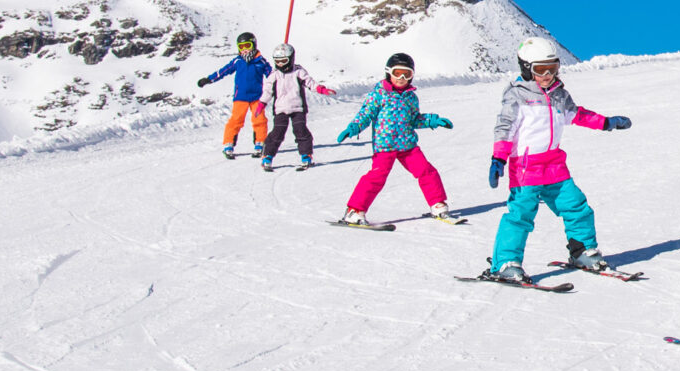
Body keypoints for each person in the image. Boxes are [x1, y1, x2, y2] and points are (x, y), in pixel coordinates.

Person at [482, 38, 631, 282]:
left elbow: (577, 114)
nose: (548, 74)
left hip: (555, 166)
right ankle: (505, 263)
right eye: (541, 69)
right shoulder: (517, 96)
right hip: (526, 168)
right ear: (526, 68)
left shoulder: (559, 94)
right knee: (520, 215)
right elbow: (504, 128)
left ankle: (582, 251)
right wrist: (498, 158)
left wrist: (606, 122)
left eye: (553, 67)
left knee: (576, 205)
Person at [335, 52, 456, 226]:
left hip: (408, 145)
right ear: (388, 72)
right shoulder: (378, 95)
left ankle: (438, 205)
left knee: (427, 171)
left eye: (407, 74)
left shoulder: (411, 97)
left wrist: (432, 120)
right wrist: (353, 128)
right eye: (397, 72)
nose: (401, 77)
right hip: (385, 146)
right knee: (376, 177)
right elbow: (365, 115)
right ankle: (354, 211)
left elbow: (414, 119)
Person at [196, 31, 273, 159]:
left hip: (257, 97)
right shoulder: (238, 61)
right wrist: (209, 79)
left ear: (253, 45)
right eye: (241, 47)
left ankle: (260, 143)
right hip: (240, 97)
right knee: (236, 120)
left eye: (247, 46)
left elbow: (271, 75)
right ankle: (228, 144)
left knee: (259, 120)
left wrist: (280, 80)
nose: (244, 50)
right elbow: (223, 71)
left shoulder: (261, 61)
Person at [261, 43, 336, 170]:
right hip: (281, 109)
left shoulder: (298, 72)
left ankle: (306, 155)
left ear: (291, 59)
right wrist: (261, 103)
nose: (280, 64)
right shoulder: (274, 75)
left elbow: (310, 82)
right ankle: (267, 155)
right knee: (277, 132)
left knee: (300, 131)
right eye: (277, 62)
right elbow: (268, 91)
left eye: (283, 61)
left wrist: (321, 89)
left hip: (298, 108)